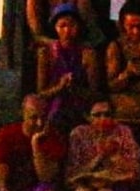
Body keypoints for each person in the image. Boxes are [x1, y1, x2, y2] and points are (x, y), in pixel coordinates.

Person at [36, 3, 101, 132]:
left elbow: (95, 93)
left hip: (81, 107)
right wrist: (59, 87)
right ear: (55, 28)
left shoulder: (88, 54)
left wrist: (76, 89)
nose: (67, 31)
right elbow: (41, 93)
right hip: (53, 109)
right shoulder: (46, 53)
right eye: (62, 26)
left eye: (72, 25)